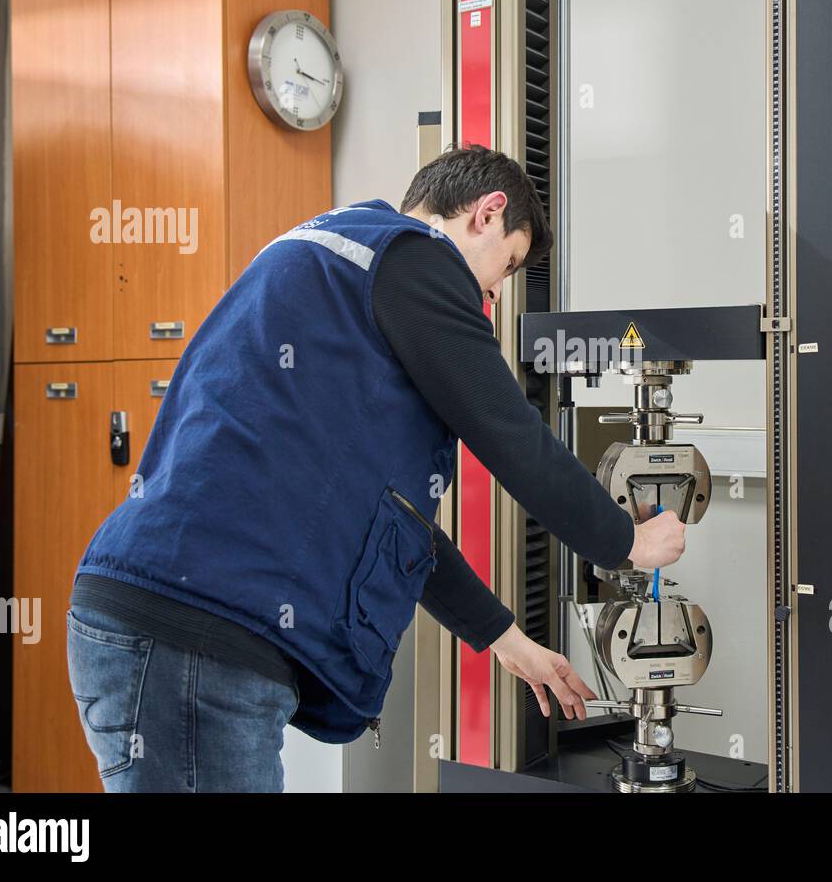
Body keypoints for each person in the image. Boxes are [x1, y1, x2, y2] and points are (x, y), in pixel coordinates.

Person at [64, 144, 687, 791]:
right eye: (504, 268)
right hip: (197, 640)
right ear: (487, 212)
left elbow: (394, 524)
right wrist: (626, 543)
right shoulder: (414, 257)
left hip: (165, 620)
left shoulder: (344, 261)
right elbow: (511, 435)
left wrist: (505, 639)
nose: (495, 298)